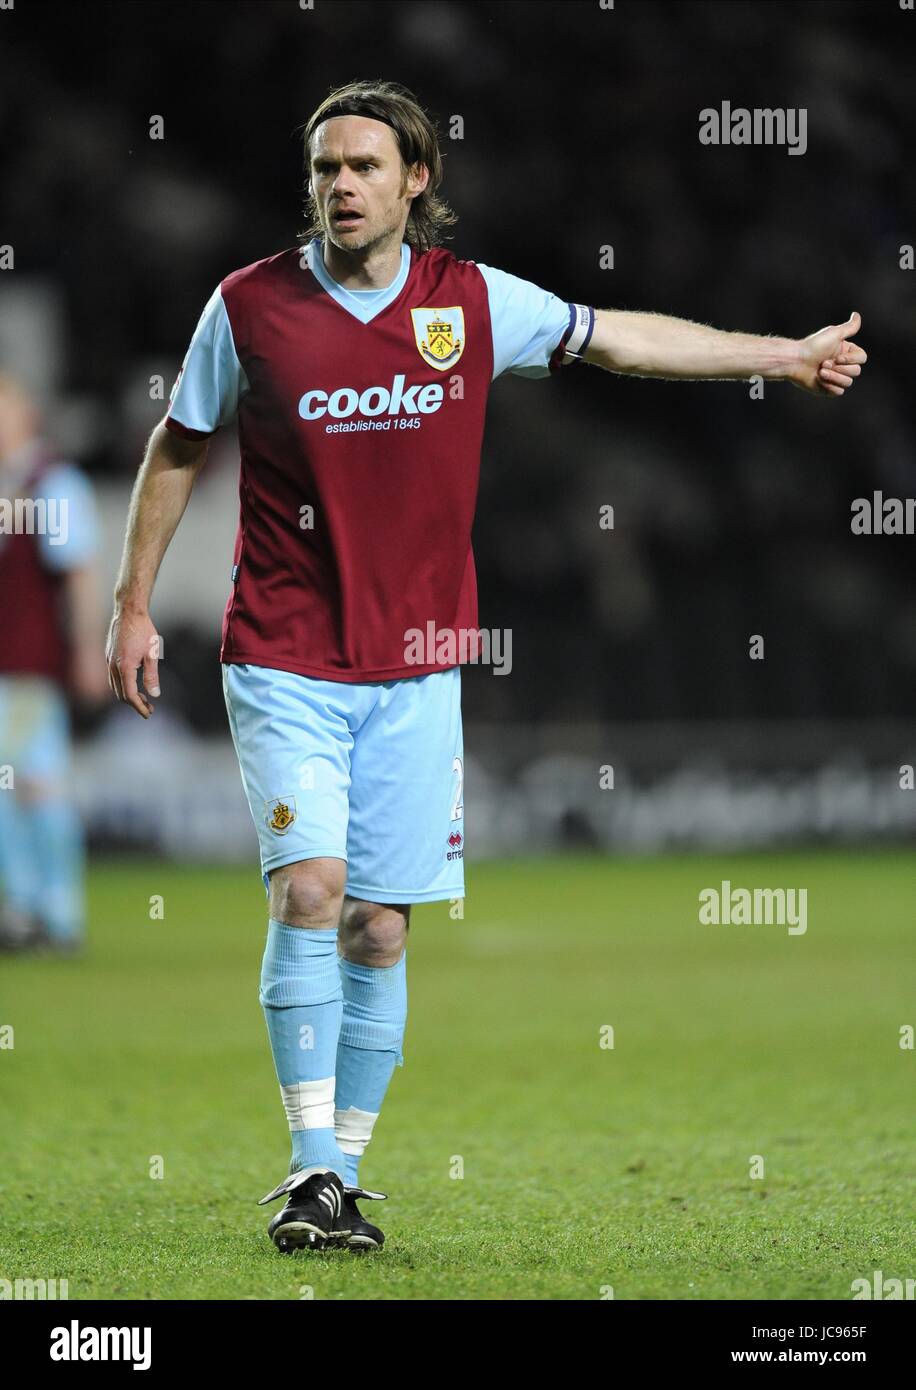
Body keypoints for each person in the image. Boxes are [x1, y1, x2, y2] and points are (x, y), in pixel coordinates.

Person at [105, 79, 867, 1253]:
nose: (339, 187)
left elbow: (624, 340)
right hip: (287, 652)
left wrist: (785, 352)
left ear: (417, 181)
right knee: (310, 891)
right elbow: (176, 445)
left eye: (363, 167)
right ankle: (308, 1170)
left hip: (416, 667)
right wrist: (131, 602)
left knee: (380, 927)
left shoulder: (471, 304)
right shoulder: (248, 306)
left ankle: (343, 1176)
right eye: (323, 170)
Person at [0, 374, 106, 953]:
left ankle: (57, 912)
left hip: (29, 667)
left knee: (37, 787)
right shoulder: (13, 486)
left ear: (26, 418)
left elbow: (79, 572)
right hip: (8, 667)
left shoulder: (53, 485)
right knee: (9, 792)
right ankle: (24, 908)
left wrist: (87, 649)